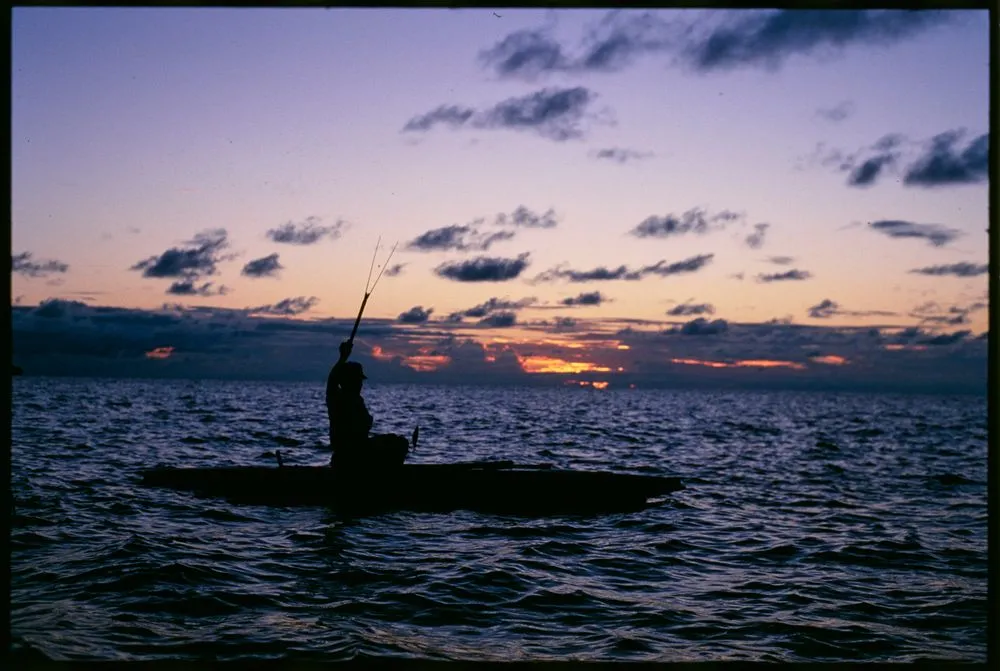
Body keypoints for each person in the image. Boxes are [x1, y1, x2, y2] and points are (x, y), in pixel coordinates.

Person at [326, 340, 409, 471]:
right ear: (348, 380)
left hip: (361, 449)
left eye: (360, 380)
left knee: (397, 441)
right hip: (349, 455)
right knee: (397, 444)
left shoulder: (356, 399)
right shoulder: (338, 399)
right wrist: (342, 358)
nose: (360, 384)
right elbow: (331, 381)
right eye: (357, 380)